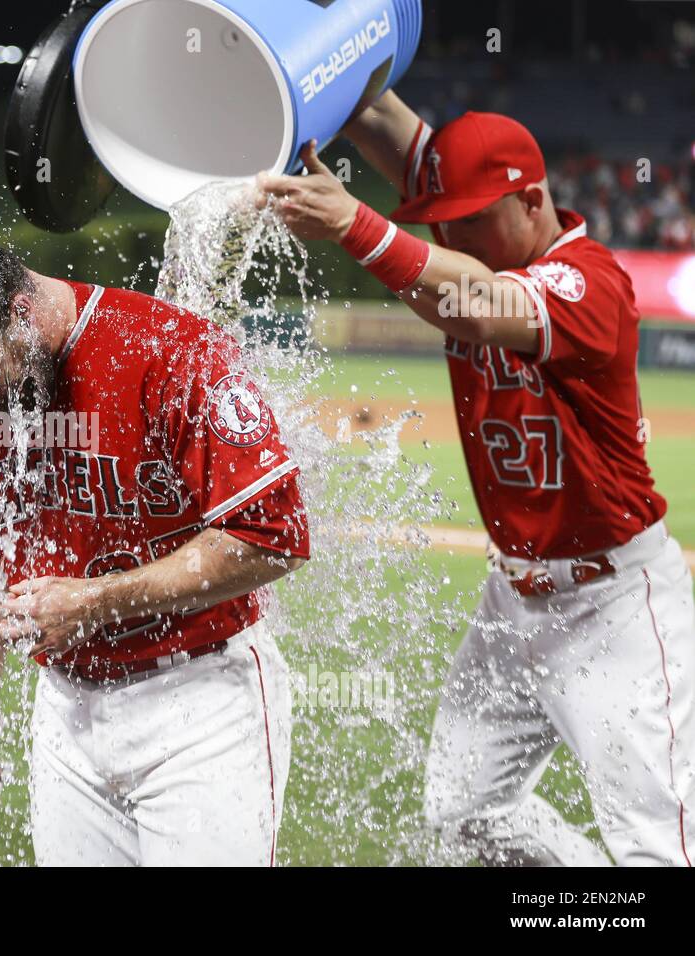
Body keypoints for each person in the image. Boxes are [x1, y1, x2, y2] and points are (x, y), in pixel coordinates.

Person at [255, 93, 693, 866]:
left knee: (656, 847)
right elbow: (379, 114)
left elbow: (475, 304)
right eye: (440, 220)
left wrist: (356, 224)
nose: (451, 234)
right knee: (465, 815)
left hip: (612, 607)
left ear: (532, 201)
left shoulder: (589, 283)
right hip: (511, 601)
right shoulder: (485, 224)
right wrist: (317, 43)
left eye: (469, 220)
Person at [0, 222, 310, 865]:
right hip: (65, 712)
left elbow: (274, 538)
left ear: (17, 310)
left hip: (203, 704)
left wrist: (96, 601)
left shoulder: (169, 349)